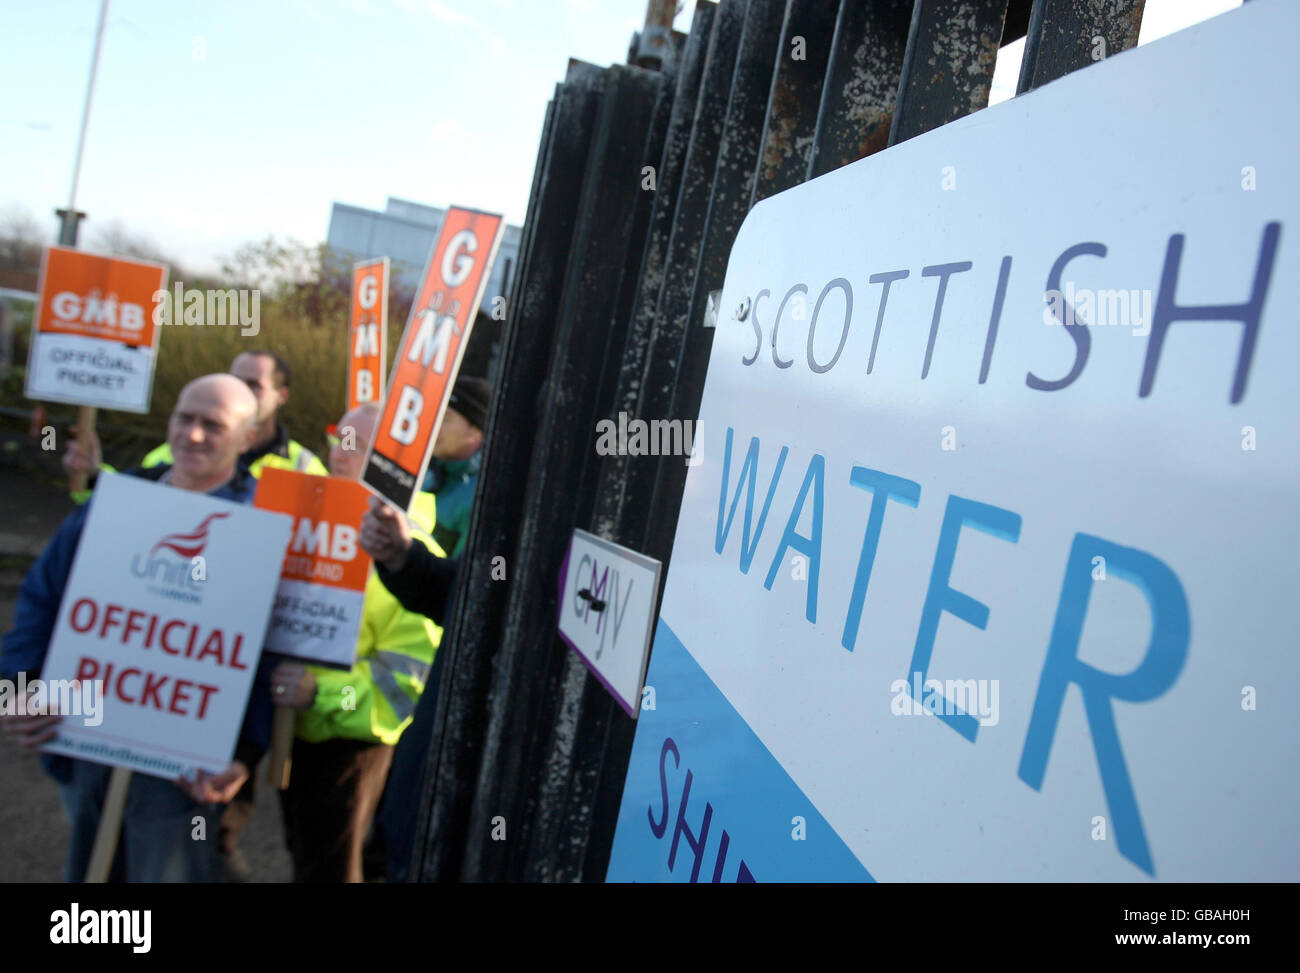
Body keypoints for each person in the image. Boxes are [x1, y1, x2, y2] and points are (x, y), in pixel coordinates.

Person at [1, 374, 278, 882]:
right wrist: (17, 686)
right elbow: (43, 600)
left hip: (184, 767)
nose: (192, 435)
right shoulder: (116, 501)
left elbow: (266, 652)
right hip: (87, 739)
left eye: (212, 425)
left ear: (247, 439)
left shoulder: (260, 529)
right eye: (184, 418)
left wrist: (244, 753)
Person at [268, 403, 444, 882]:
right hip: (292, 727)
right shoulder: (310, 519)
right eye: (335, 437)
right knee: (305, 855)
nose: (336, 451)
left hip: (348, 747)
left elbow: (403, 686)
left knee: (331, 869)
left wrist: (320, 693)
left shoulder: (413, 555)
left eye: (355, 444)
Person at [65, 349, 327, 496]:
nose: (241, 391)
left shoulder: (305, 468)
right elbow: (132, 500)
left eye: (254, 385)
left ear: (282, 395)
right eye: (235, 380)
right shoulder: (170, 452)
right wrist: (93, 477)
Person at [421, 375, 491, 558]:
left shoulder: (481, 496)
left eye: (445, 418)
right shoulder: (426, 473)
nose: (433, 425)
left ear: (476, 431)